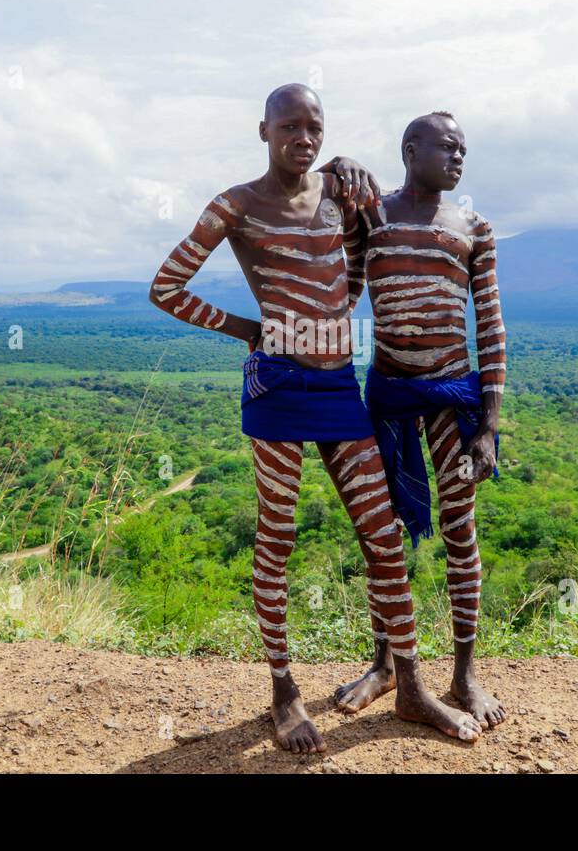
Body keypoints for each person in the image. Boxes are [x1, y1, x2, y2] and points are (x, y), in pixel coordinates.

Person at [148, 86, 482, 752]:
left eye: (315, 127)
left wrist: (355, 168)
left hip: (339, 390)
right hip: (276, 389)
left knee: (384, 534)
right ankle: (283, 690)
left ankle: (410, 685)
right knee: (278, 536)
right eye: (290, 126)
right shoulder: (237, 205)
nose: (303, 138)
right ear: (263, 129)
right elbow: (166, 287)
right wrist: (250, 327)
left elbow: (361, 260)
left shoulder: (340, 196)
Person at [332, 111, 508, 729]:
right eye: (447, 147)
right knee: (381, 538)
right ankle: (385, 666)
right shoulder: (373, 216)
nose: (459, 158)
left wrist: (487, 425)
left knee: (460, 531)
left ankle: (464, 675)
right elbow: (342, 288)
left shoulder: (474, 228)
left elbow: (489, 326)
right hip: (387, 398)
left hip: (455, 400)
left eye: (464, 150)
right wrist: (336, 165)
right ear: (410, 150)